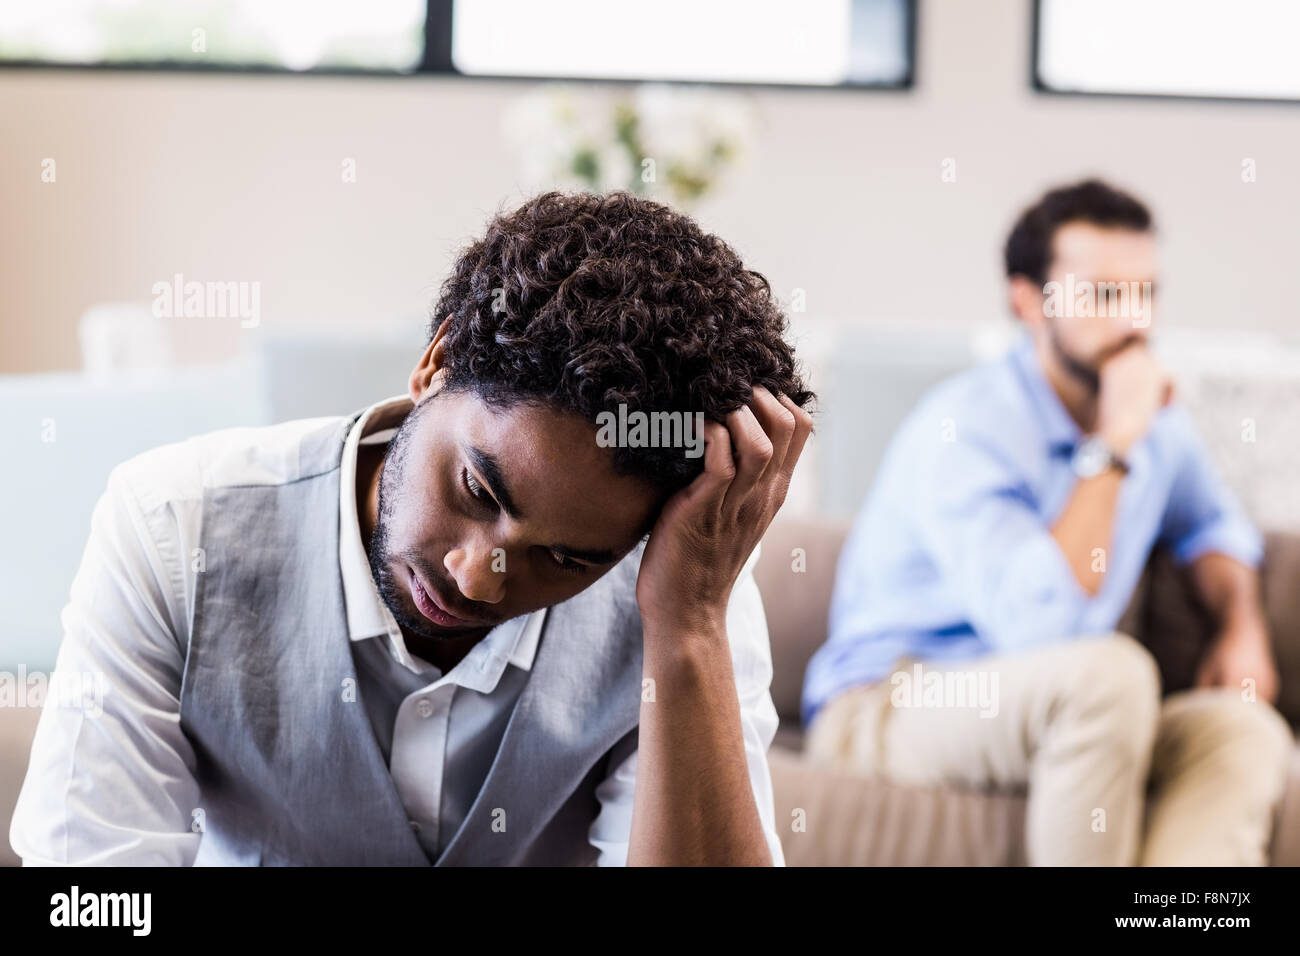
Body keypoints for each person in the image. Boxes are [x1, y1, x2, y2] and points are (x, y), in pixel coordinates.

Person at [11, 191, 814, 866]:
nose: (477, 576)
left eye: (566, 559)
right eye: (475, 488)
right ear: (434, 366)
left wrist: (687, 634)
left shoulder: (680, 593)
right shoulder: (174, 527)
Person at [802, 179, 1292, 866]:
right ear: (1027, 301)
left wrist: (1243, 627)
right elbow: (1043, 631)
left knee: (1240, 730)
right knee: (1108, 677)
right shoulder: (966, 428)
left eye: (1146, 293)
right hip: (896, 701)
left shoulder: (1158, 428)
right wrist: (1115, 443)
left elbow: (1213, 526)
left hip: (1070, 713)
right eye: (1102, 295)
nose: (1135, 322)